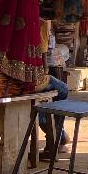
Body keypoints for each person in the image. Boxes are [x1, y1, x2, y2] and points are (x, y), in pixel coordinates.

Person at [38, 13, 70, 157]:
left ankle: (58, 137)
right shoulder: (40, 24)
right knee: (62, 89)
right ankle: (57, 139)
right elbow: (44, 61)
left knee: (44, 102)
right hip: (28, 80)